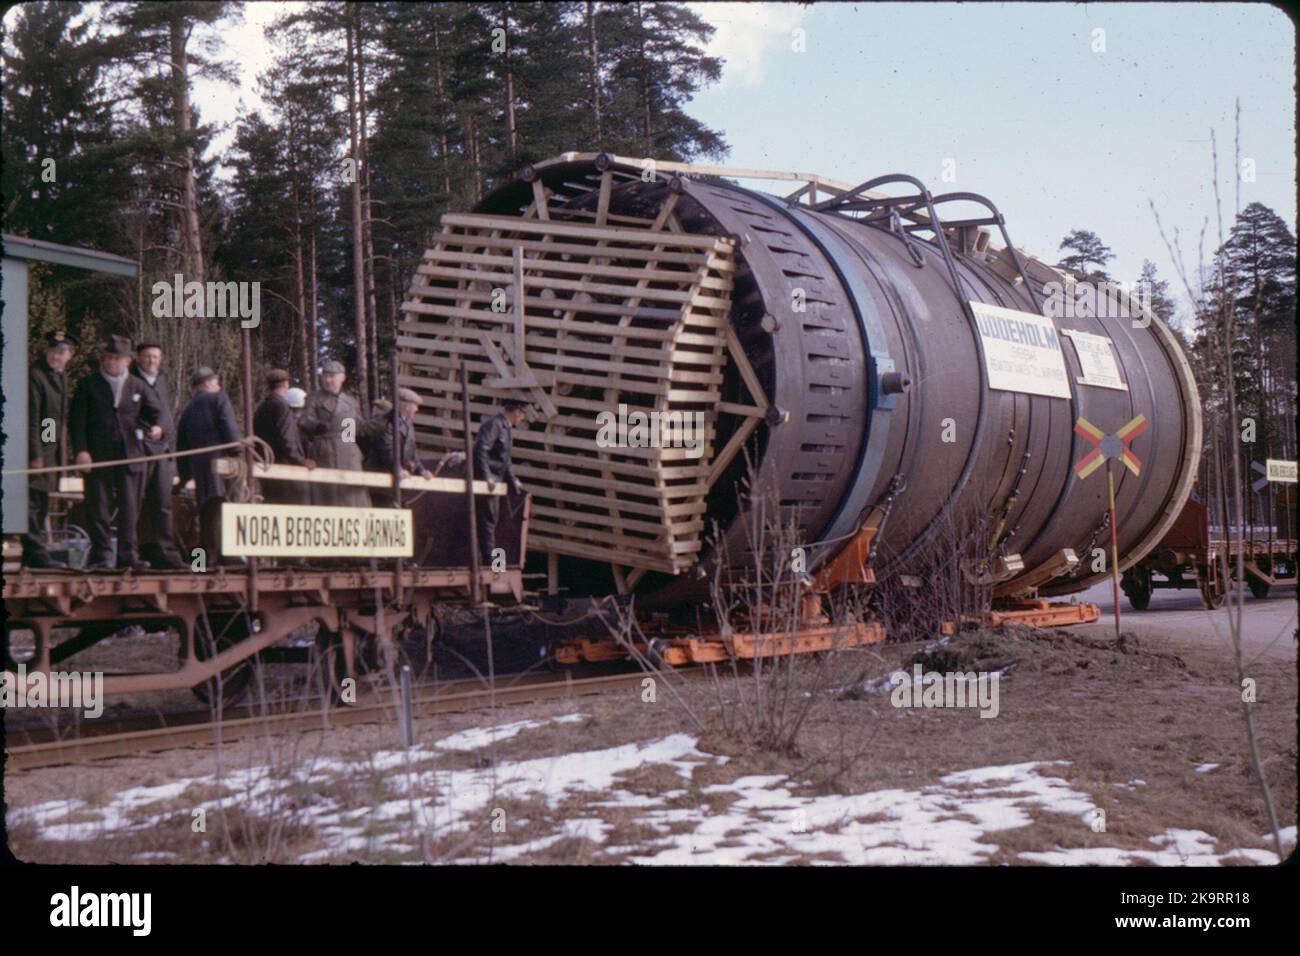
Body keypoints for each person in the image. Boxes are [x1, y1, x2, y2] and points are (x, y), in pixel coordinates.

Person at [69, 334, 163, 572]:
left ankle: (128, 555)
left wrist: (157, 428)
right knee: (98, 505)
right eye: (109, 358)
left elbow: (156, 412)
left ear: (128, 361)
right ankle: (101, 555)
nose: (113, 363)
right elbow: (76, 422)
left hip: (132, 455)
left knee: (131, 507)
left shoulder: (138, 386)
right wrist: (81, 451)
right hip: (98, 455)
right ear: (103, 359)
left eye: (118, 359)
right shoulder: (88, 385)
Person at [176, 367, 243, 560]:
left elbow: (182, 448)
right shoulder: (218, 399)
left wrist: (184, 477)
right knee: (224, 512)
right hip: (222, 466)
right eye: (216, 382)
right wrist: (238, 452)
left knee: (203, 519)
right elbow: (228, 426)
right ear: (207, 383)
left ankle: (201, 565)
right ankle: (227, 559)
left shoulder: (187, 411)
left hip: (200, 469)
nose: (219, 386)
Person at [130, 342, 186, 569]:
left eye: (155, 357)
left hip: (162, 451)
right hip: (138, 450)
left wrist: (162, 429)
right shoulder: (130, 380)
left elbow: (165, 413)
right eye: (147, 357)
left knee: (162, 503)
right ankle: (132, 551)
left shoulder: (162, 381)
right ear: (138, 358)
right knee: (132, 504)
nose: (152, 361)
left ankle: (164, 551)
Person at [23, 330, 76, 568]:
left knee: (43, 499)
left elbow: (53, 420)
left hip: (50, 447)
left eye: (61, 352)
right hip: (37, 450)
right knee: (33, 500)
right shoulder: (36, 375)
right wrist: (36, 454)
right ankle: (34, 550)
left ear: (69, 355)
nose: (56, 356)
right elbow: (33, 418)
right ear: (47, 351)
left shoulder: (59, 376)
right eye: (53, 351)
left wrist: (55, 450)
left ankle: (36, 550)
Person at [297, 360, 369, 508]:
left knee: (353, 498)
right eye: (325, 376)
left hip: (348, 455)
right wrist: (317, 425)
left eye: (331, 376)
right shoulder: (314, 398)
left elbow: (354, 430)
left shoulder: (350, 402)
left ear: (342, 378)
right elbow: (303, 421)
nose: (327, 380)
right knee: (327, 497)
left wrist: (381, 423)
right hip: (325, 453)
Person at [472, 398, 528, 564]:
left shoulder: (505, 427)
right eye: (522, 414)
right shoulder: (494, 425)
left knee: (493, 519)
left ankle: (492, 560)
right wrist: (487, 476)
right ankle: (491, 562)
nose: (522, 418)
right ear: (517, 412)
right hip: (488, 481)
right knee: (488, 520)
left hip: (496, 480)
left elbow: (505, 459)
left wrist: (513, 480)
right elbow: (480, 450)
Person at [359, 387, 433, 506]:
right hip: (381, 482)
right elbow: (387, 450)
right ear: (407, 407)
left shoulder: (408, 423)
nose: (417, 409)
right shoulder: (387, 423)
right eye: (415, 406)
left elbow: (412, 451)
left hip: (397, 484)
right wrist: (398, 469)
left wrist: (421, 470)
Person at [254, 368, 315, 504]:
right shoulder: (281, 407)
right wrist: (301, 460)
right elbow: (286, 440)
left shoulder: (262, 407)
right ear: (286, 384)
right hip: (287, 472)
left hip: (268, 469)